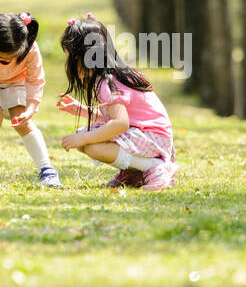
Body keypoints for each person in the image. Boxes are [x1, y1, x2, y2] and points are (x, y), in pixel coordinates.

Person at [57, 13, 177, 190]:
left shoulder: (108, 83)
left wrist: (83, 138)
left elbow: (120, 123)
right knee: (86, 144)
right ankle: (134, 172)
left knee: (90, 145)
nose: (66, 61)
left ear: (83, 56)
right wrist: (81, 110)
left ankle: (154, 168)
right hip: (146, 135)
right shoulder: (108, 78)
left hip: (154, 138)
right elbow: (116, 119)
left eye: (68, 55)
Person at [0, 11, 61, 188]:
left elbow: (35, 79)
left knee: (21, 120)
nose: (8, 60)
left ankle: (47, 170)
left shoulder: (29, 46)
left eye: (14, 56)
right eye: (2, 58)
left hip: (17, 82)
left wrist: (30, 108)